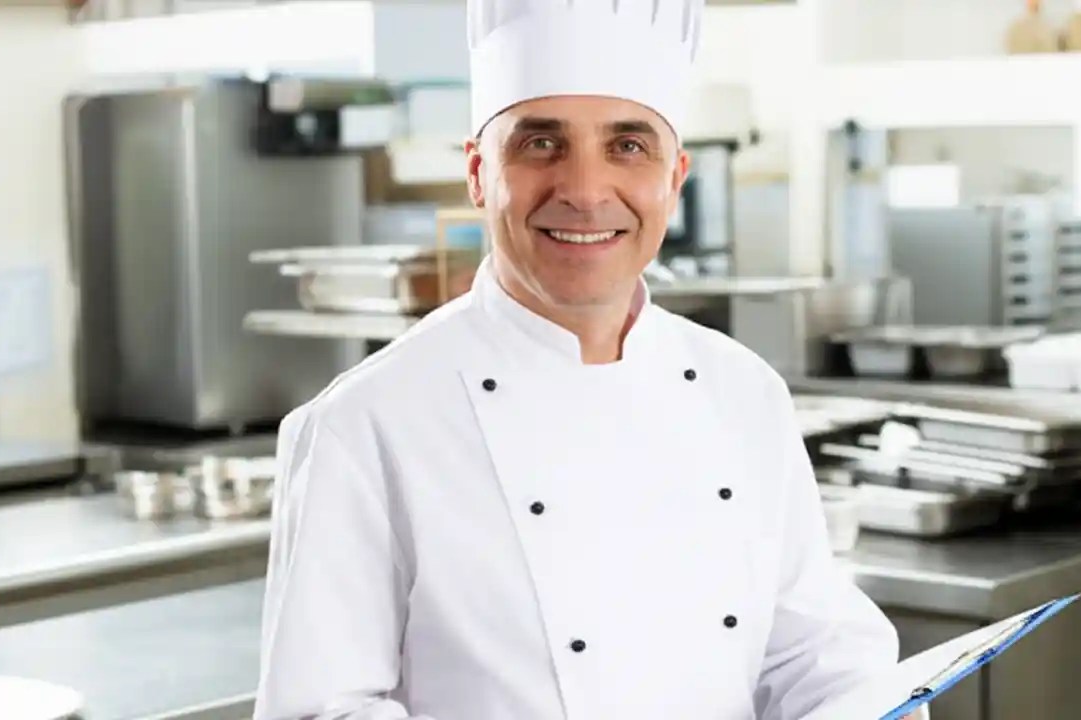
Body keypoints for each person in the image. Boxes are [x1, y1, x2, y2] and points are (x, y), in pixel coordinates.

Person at [253, 1, 904, 718]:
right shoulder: (364, 425)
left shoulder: (746, 393)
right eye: (540, 144)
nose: (586, 192)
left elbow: (816, 654)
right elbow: (319, 712)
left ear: (675, 177)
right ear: (477, 172)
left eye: (628, 146)